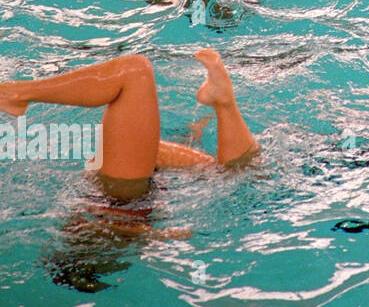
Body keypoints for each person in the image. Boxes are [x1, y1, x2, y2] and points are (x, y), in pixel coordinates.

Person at [0, 49, 259, 202]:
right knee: (133, 72)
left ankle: (225, 105)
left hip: (115, 200)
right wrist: (150, 235)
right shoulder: (94, 235)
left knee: (225, 171)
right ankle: (16, 95)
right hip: (117, 205)